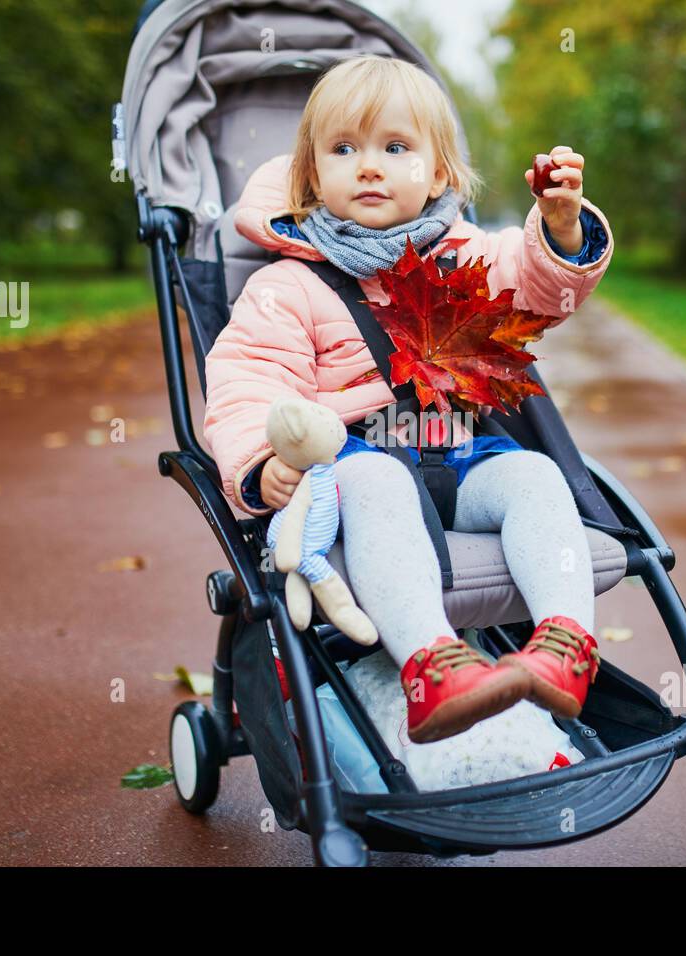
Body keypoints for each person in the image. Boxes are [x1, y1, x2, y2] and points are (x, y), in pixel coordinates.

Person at [203, 53, 615, 743]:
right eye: (344, 149)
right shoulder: (287, 287)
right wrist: (259, 463)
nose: (369, 166)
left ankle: (562, 648)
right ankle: (433, 665)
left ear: (440, 175)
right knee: (373, 478)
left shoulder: (466, 256)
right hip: (356, 465)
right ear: (310, 175)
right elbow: (247, 383)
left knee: (536, 477)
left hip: (464, 450)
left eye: (395, 148)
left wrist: (563, 227)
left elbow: (542, 291)